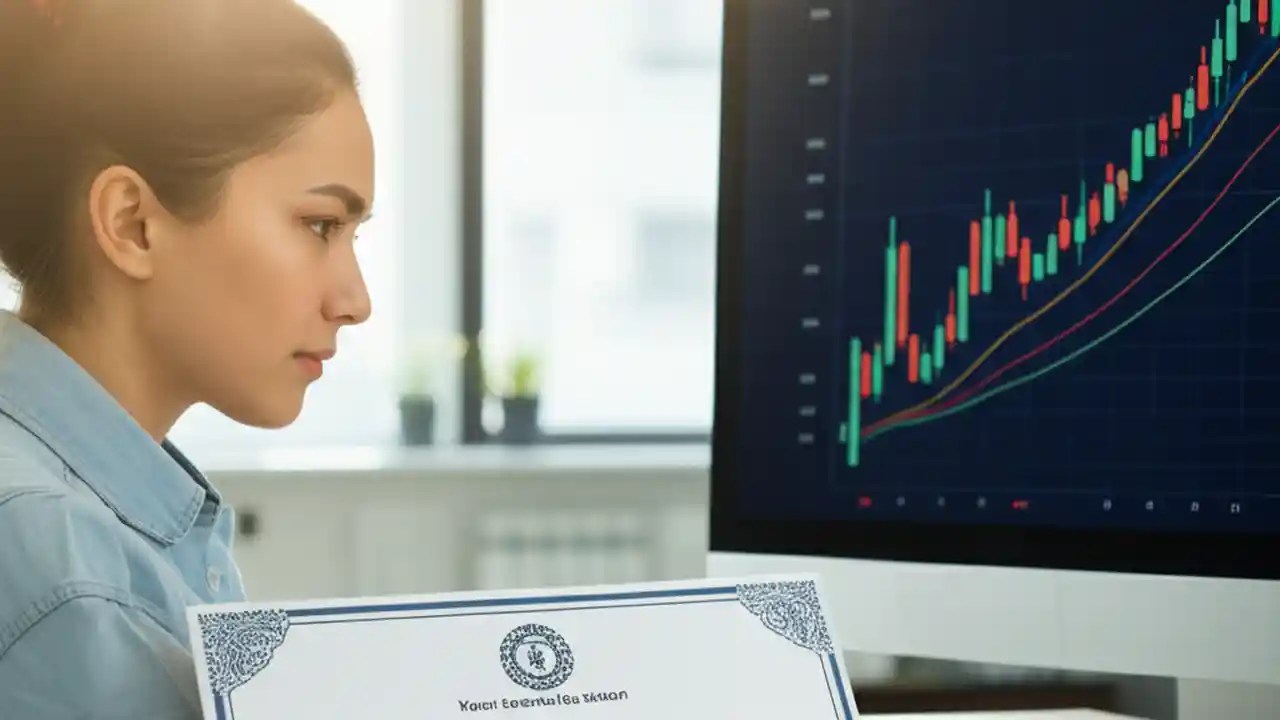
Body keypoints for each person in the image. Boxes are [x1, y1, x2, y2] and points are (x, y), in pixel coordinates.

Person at [0, 0, 374, 716]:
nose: (355, 300)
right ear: (131, 224)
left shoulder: (101, 527)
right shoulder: (63, 571)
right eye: (320, 224)